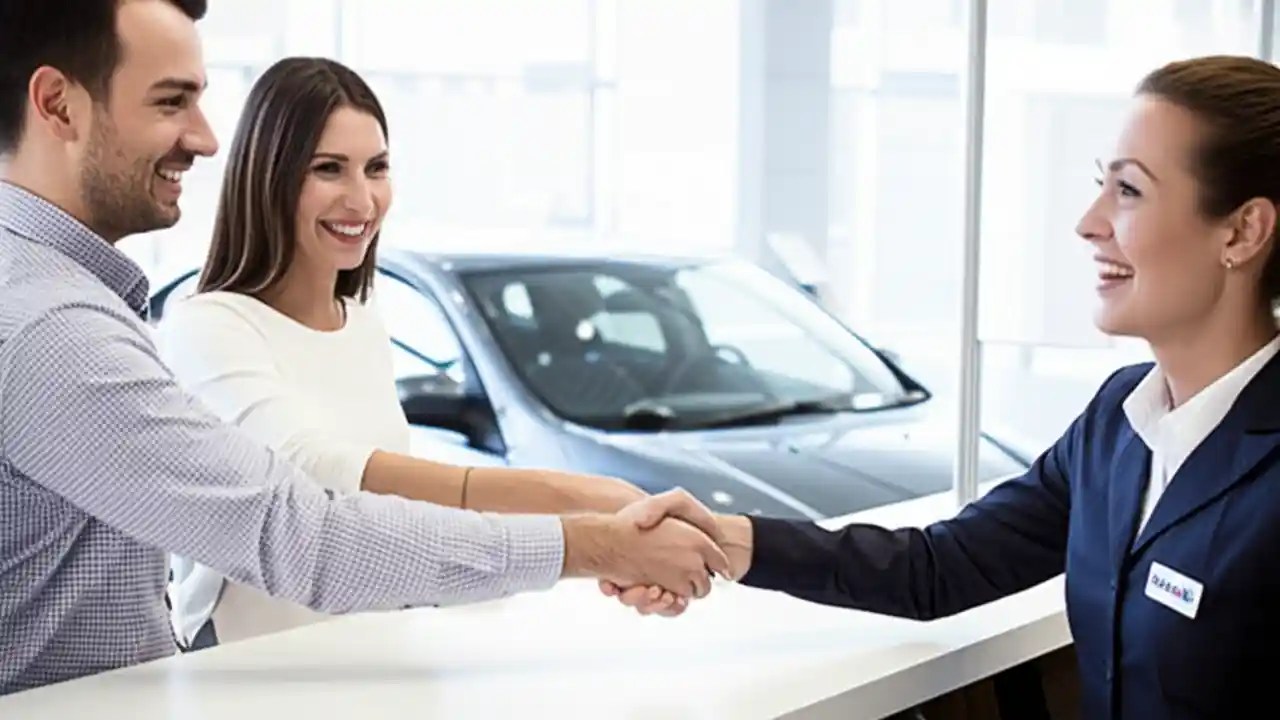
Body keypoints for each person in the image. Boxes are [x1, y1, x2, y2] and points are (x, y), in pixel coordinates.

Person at [0, 0, 727, 696]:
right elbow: (300, 525)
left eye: (377, 167)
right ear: (58, 104)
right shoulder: (56, 327)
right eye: (170, 101)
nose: (203, 137)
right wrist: (592, 536)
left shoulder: (67, 298)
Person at [608, 54, 1280, 719]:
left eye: (1128, 191)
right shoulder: (1119, 419)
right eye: (1101, 185)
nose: (1088, 222)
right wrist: (724, 540)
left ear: (1243, 231)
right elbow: (940, 566)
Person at [152, 55, 677, 648]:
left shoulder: (364, 318)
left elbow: (396, 511)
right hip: (253, 668)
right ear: (268, 178)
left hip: (376, 654)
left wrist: (617, 542)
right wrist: (580, 500)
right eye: (329, 169)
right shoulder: (207, 326)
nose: (362, 199)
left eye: (376, 168)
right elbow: (318, 472)